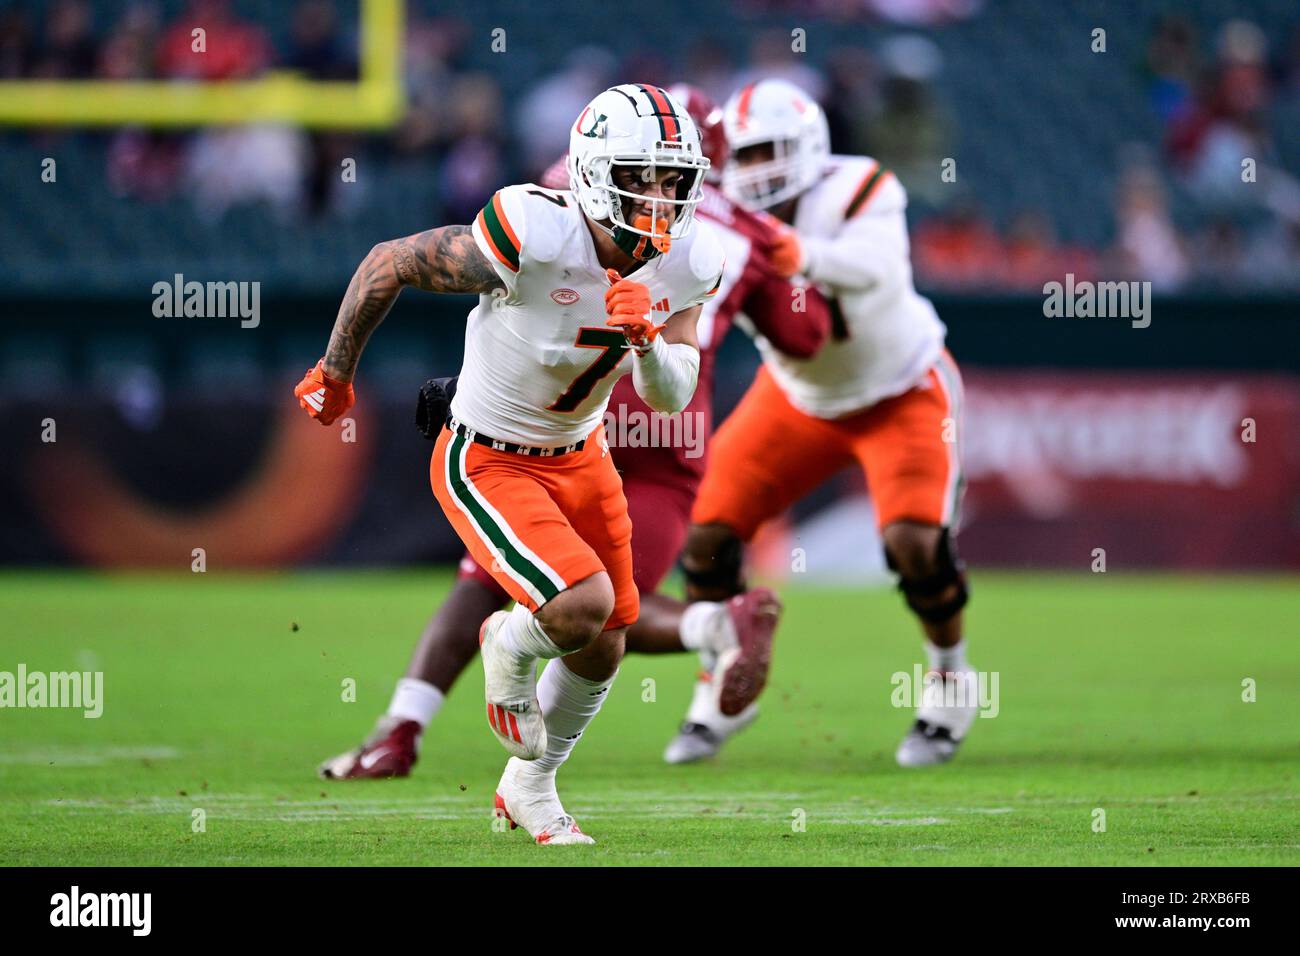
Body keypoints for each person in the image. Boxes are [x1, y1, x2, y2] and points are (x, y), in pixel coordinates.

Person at [317, 85, 832, 780]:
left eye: (673, 177)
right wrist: (339, 371)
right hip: (541, 440)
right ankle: (408, 725)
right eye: (638, 175)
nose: (658, 194)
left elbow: (703, 376)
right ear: (594, 171)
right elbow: (412, 266)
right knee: (538, 596)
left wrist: (650, 338)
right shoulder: (546, 220)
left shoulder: (699, 250)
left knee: (599, 622)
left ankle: (515, 773)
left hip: (616, 445)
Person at [684, 78, 979, 767]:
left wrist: (794, 253)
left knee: (914, 544)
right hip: (795, 397)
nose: (758, 171)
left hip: (900, 389)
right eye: (746, 157)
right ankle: (721, 680)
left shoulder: (859, 186)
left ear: (810, 144)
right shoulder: (720, 213)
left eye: (771, 153)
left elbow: (874, 268)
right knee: (706, 536)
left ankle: (950, 677)